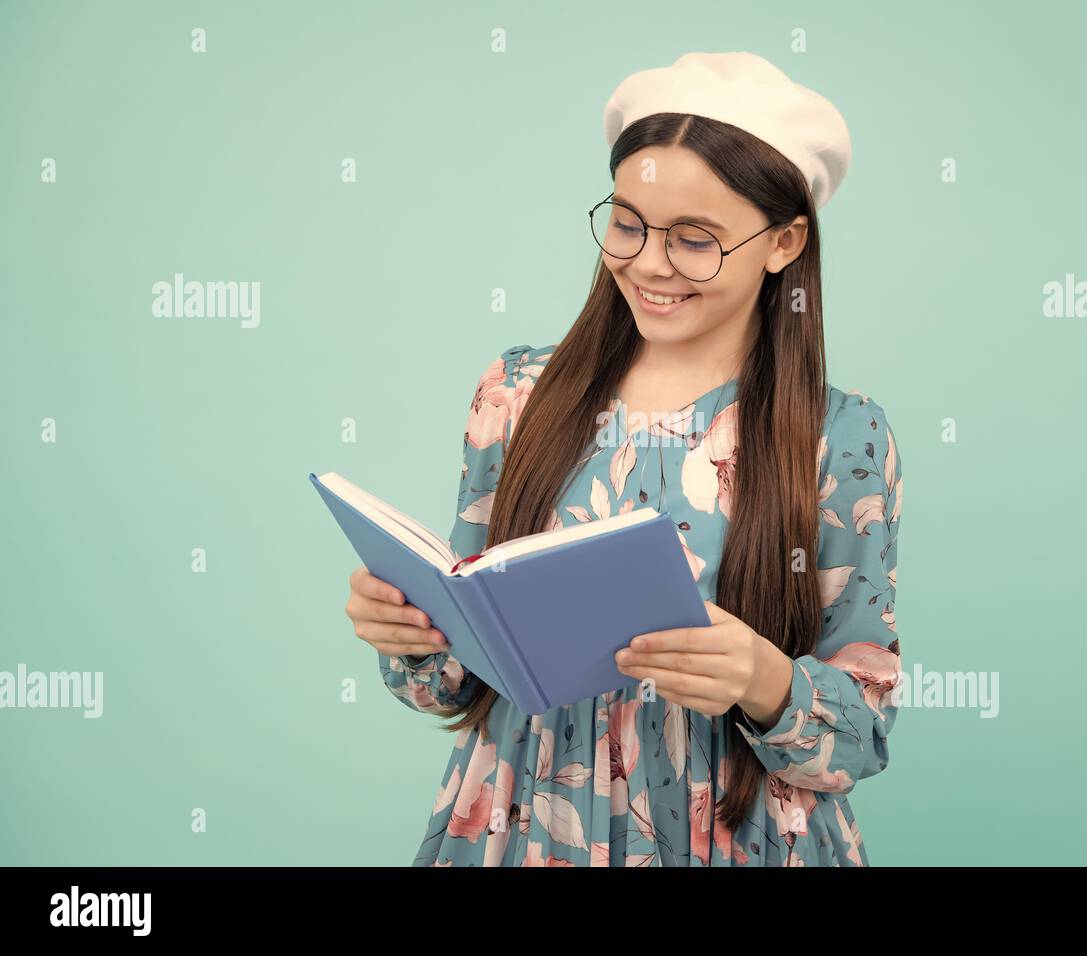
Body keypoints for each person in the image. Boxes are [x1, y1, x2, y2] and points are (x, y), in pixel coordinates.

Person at [344, 51, 905, 866]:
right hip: (524, 826)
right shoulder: (518, 395)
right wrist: (412, 633)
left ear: (784, 241)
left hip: (738, 837)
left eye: (695, 239)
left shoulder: (841, 439)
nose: (647, 263)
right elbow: (454, 684)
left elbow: (860, 737)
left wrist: (763, 677)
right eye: (629, 222)